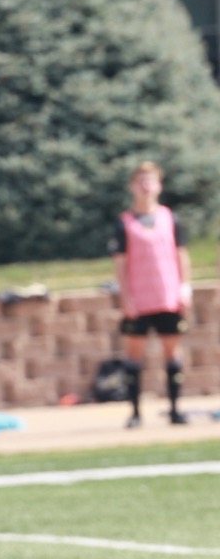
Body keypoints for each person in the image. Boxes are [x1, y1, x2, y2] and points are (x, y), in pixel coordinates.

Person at [112, 161, 193, 427]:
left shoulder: (170, 218)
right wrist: (126, 296)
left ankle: (175, 410)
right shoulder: (125, 223)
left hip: (167, 296)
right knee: (134, 354)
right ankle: (135, 413)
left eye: (151, 180)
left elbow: (181, 254)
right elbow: (121, 263)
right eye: (141, 180)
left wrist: (185, 285)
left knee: (173, 352)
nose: (146, 186)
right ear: (132, 186)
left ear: (159, 185)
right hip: (139, 298)